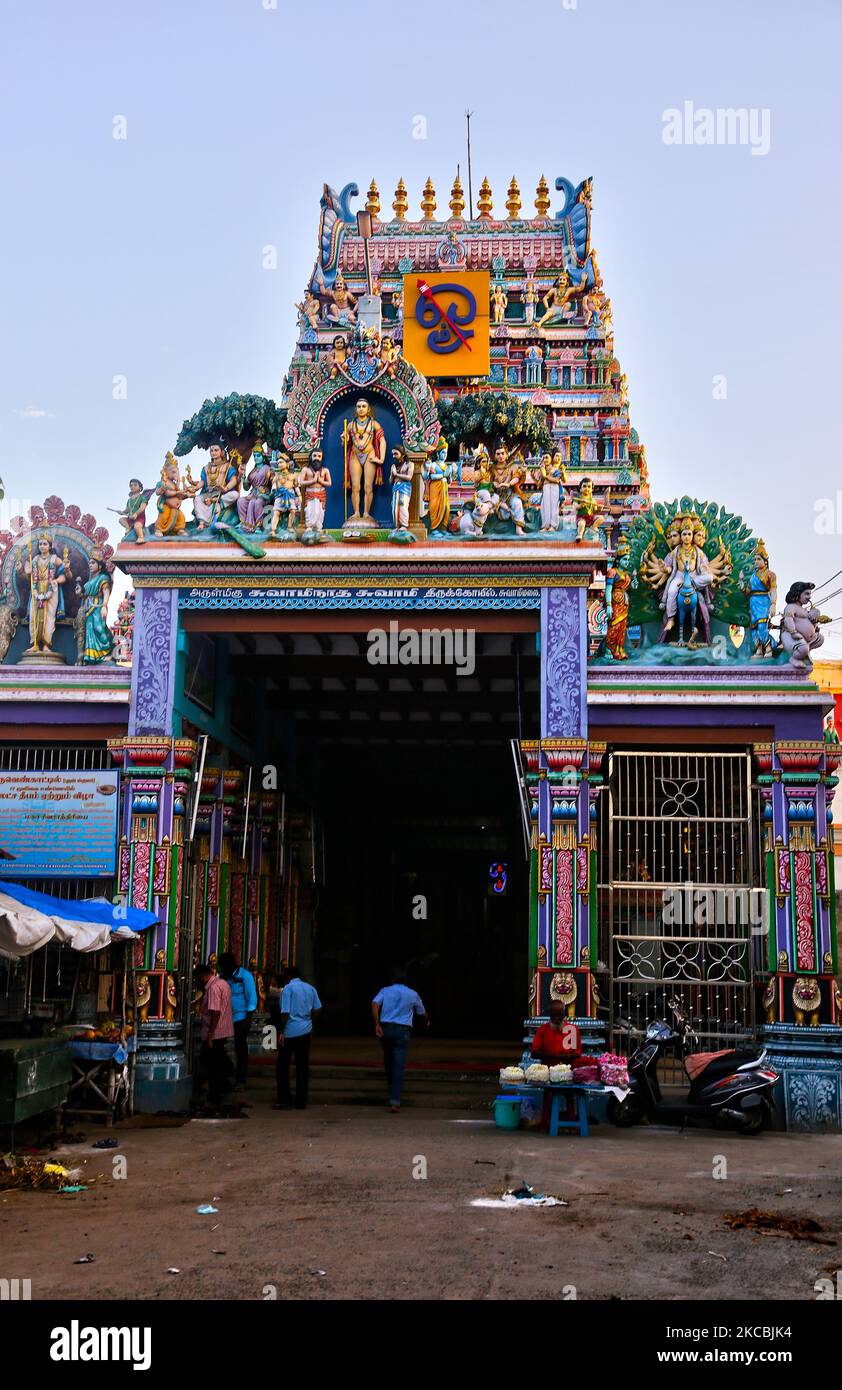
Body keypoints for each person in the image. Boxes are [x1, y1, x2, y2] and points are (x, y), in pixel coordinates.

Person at [371, 967, 429, 1113]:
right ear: (405, 979)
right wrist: (426, 1022)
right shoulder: (413, 994)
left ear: (391, 979)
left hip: (386, 1029)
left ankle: (391, 1084)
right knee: (398, 1064)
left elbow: (374, 1003)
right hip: (403, 1031)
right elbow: (422, 1012)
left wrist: (377, 1024)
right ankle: (395, 1100)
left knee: (388, 1059)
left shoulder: (385, 990)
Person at [274, 967, 321, 1110]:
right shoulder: (310, 988)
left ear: (287, 977)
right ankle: (301, 1101)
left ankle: (285, 1100)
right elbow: (318, 1008)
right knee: (302, 1066)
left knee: (282, 1066)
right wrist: (309, 1021)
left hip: (290, 1031)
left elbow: (285, 1012)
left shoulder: (288, 989)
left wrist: (281, 1030)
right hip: (305, 1030)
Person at [196, 962, 235, 1108]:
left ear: (201, 976)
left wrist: (211, 1035)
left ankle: (216, 1094)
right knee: (214, 1060)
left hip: (216, 1032)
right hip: (224, 1029)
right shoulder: (223, 983)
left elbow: (215, 1012)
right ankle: (222, 1084)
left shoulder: (212, 988)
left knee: (210, 1063)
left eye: (197, 979)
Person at [218, 951, 258, 1087]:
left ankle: (241, 1078)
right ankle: (228, 1070)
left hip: (241, 1017)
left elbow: (252, 997)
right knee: (219, 1044)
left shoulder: (245, 975)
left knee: (240, 1047)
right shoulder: (224, 977)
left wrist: (248, 1018)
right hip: (226, 1016)